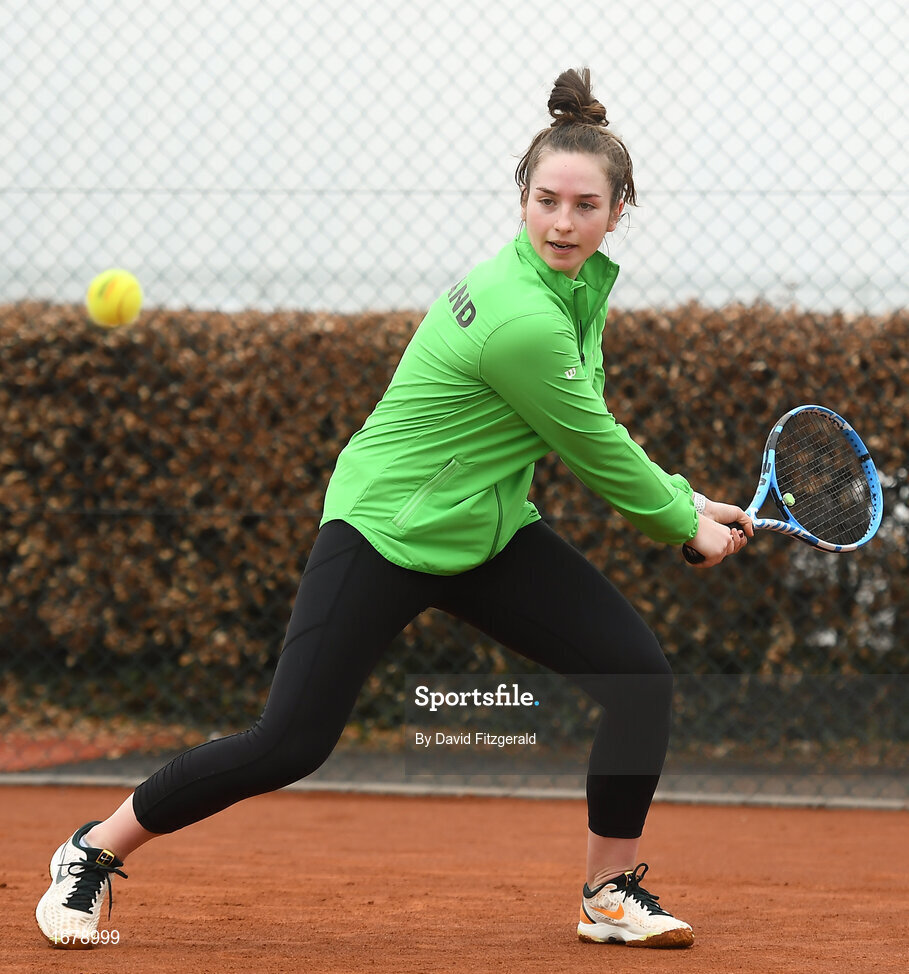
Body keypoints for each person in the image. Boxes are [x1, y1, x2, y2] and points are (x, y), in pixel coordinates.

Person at [36, 67, 752, 951]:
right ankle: (91, 849)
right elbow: (590, 445)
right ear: (521, 200)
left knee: (636, 677)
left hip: (483, 530)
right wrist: (682, 526)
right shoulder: (519, 315)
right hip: (386, 527)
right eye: (545, 202)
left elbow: (587, 421)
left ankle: (607, 892)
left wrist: (686, 499)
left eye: (584, 205)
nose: (563, 222)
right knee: (290, 742)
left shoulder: (572, 289)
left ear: (616, 211)